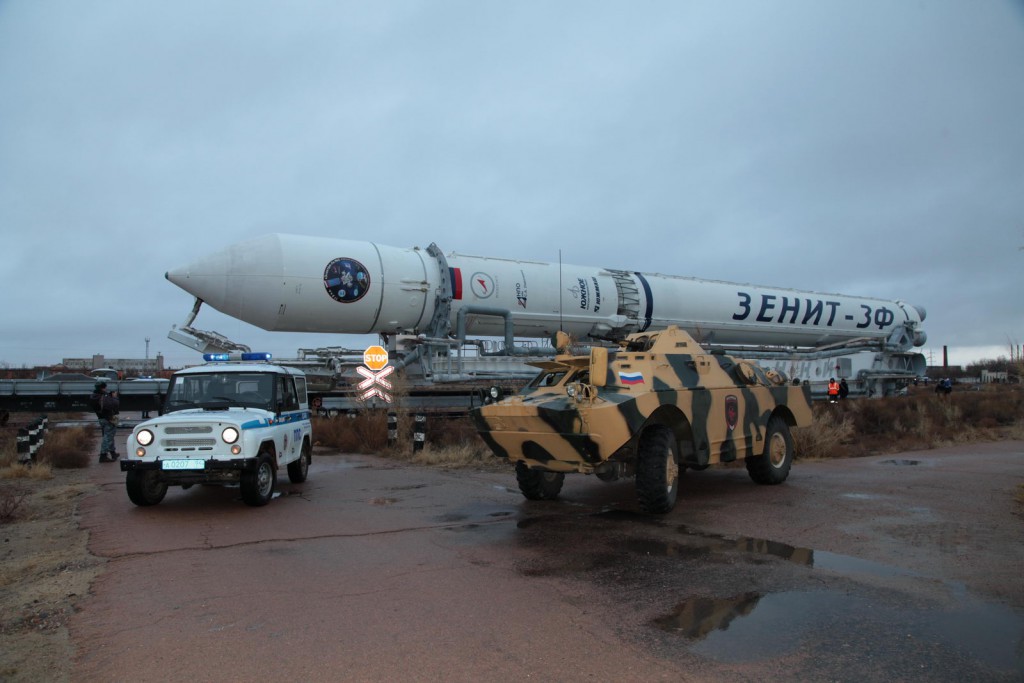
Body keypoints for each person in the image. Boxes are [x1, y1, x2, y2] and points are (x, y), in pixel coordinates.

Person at [90, 381, 121, 462]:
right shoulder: (103, 397)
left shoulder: (94, 396)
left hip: (101, 418)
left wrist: (108, 395)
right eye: (105, 387)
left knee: (108, 436)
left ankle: (113, 453)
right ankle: (103, 456)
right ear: (103, 387)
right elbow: (113, 405)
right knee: (108, 437)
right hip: (108, 418)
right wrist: (114, 397)